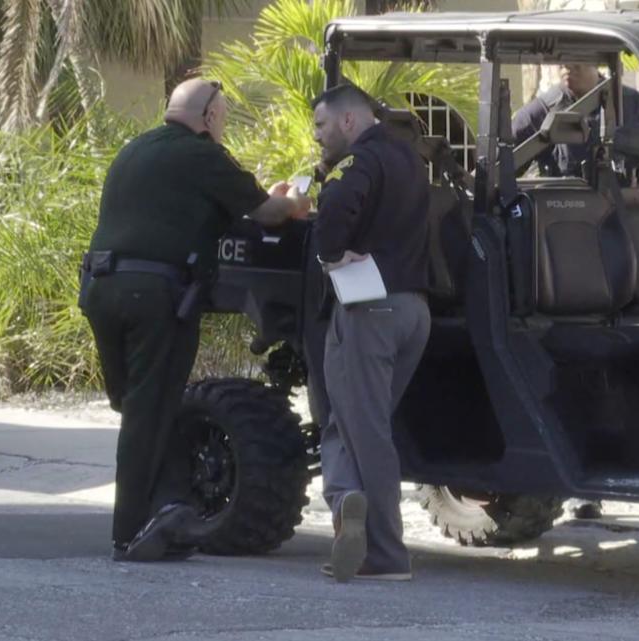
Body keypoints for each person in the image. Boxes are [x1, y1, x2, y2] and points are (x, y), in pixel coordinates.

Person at [81, 78, 311, 562]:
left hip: (101, 289)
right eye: (222, 117)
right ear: (209, 118)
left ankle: (168, 507)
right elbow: (268, 213)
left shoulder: (134, 151)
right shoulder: (203, 155)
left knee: (136, 405)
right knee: (151, 408)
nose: (223, 126)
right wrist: (293, 201)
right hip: (155, 295)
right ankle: (133, 532)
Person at [516, 65, 639, 521]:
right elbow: (499, 164)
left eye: (576, 59)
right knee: (580, 372)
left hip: (638, 252)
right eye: (562, 58)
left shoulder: (635, 107)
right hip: (574, 261)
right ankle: (585, 486)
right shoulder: (545, 109)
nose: (567, 67)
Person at [312, 84, 431, 582]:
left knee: (367, 432)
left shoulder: (358, 161)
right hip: (414, 311)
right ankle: (345, 500)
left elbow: (334, 212)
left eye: (321, 125)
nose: (317, 136)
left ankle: (384, 553)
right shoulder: (410, 158)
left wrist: (330, 254)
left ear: (348, 120)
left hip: (368, 309)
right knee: (346, 421)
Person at [512, 63, 639, 187]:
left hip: (632, 219)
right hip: (567, 222)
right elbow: (502, 174)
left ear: (596, 59)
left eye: (577, 53)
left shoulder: (635, 105)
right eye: (561, 56)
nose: (566, 64)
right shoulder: (541, 112)